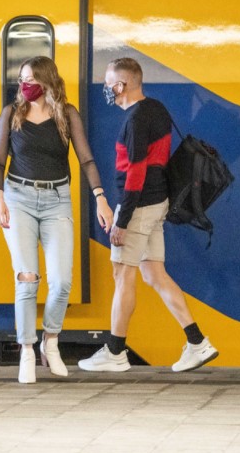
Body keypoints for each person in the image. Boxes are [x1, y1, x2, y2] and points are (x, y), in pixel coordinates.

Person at [79, 57, 219, 373]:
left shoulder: (135, 120)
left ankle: (115, 352)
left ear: (122, 84)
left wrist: (122, 221)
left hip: (138, 207)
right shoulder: (158, 108)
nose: (106, 87)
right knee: (154, 274)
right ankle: (197, 343)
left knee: (123, 274)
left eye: (109, 82)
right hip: (158, 204)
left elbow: (136, 173)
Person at [0, 57, 114, 383]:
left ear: (47, 81)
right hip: (18, 199)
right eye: (22, 80)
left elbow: (86, 159)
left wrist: (101, 197)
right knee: (28, 278)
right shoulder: (12, 113)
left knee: (61, 282)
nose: (24, 85)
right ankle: (27, 350)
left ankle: (51, 341)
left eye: (30, 79)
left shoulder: (66, 114)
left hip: (57, 201)